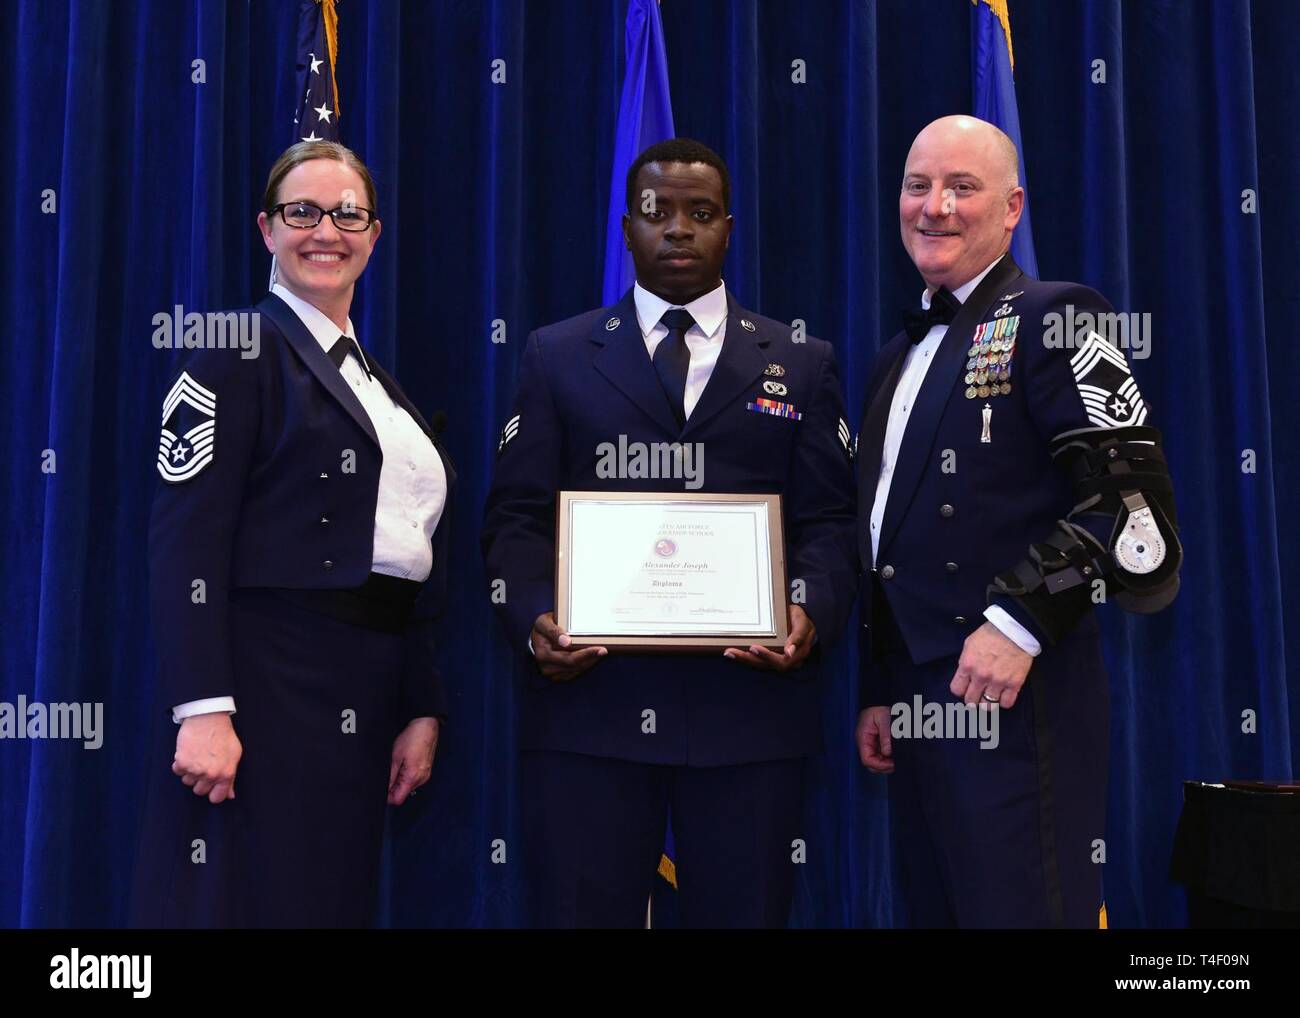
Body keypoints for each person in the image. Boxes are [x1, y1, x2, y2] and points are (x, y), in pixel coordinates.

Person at [481, 138, 857, 928]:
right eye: (657, 213)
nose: (678, 230)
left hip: (748, 716)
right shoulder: (557, 355)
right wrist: (534, 619)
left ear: (729, 228)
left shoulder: (802, 359)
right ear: (626, 229)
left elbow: (828, 522)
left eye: (700, 213)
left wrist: (809, 610)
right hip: (593, 711)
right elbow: (515, 521)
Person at [854, 115, 1181, 928]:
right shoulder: (895, 355)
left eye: (962, 187)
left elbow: (1130, 508)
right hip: (917, 698)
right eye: (917, 185)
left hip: (1018, 694)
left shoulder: (1060, 316)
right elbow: (889, 542)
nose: (935, 206)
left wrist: (1022, 620)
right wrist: (878, 685)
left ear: (1012, 208)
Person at [132, 140, 455, 927]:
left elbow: (403, 549)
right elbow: (186, 540)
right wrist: (203, 708)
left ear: (374, 236)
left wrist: (419, 703)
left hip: (364, 689)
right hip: (267, 684)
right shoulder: (232, 348)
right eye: (302, 212)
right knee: (246, 900)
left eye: (347, 214)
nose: (326, 231)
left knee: (328, 902)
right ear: (266, 229)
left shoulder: (379, 383)